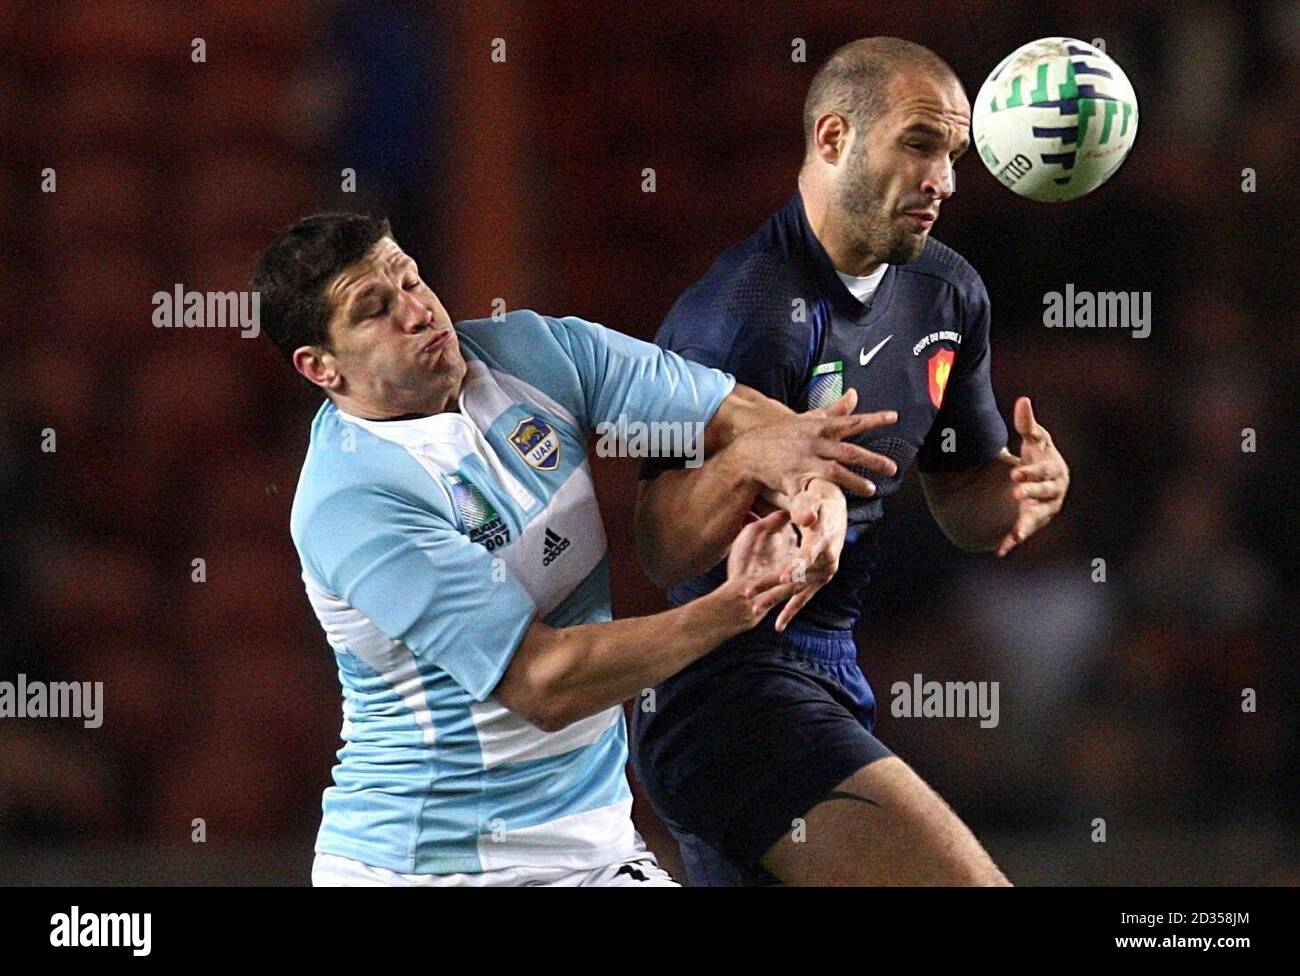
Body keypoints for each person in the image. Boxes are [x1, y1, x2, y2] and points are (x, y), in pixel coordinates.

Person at [250, 212, 896, 886]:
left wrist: (812, 497)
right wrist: (736, 605)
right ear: (320, 367)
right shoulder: (353, 500)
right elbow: (544, 683)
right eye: (375, 310)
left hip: (591, 847)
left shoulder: (534, 354)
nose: (417, 312)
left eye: (412, 279)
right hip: (428, 865)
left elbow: (748, 422)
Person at [631, 37, 1071, 886]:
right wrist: (761, 462)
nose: (943, 180)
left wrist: (1022, 492)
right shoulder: (741, 312)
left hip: (832, 672)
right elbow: (661, 546)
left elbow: (967, 508)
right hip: (728, 689)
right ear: (833, 139)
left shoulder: (948, 292)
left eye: (954, 155)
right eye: (919, 144)